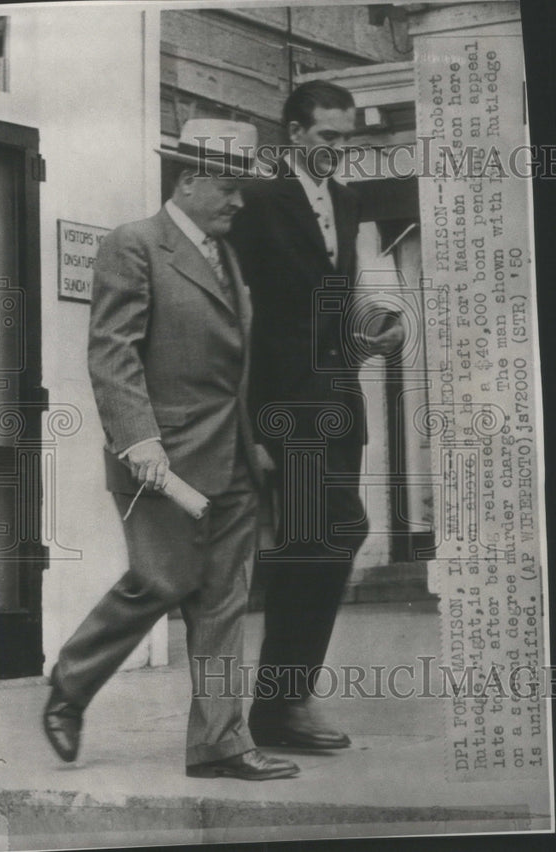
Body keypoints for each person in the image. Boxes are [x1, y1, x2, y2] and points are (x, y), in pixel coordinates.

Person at [42, 119, 299, 781]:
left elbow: (235, 362)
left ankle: (220, 744)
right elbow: (113, 353)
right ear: (188, 180)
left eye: (242, 187)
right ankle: (70, 682)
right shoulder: (136, 245)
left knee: (222, 599)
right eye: (229, 185)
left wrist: (257, 442)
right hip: (162, 461)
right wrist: (140, 444)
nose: (239, 201)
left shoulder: (227, 254)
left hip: (234, 458)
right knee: (163, 581)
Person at [231, 81, 404, 749]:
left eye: (346, 139)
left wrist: (373, 332)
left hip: (337, 403)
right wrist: (249, 417)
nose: (338, 150)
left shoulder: (349, 201)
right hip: (286, 410)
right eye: (328, 137)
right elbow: (239, 310)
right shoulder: (255, 200)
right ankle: (283, 705)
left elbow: (333, 304)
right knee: (332, 531)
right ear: (294, 133)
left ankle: (282, 706)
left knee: (316, 543)